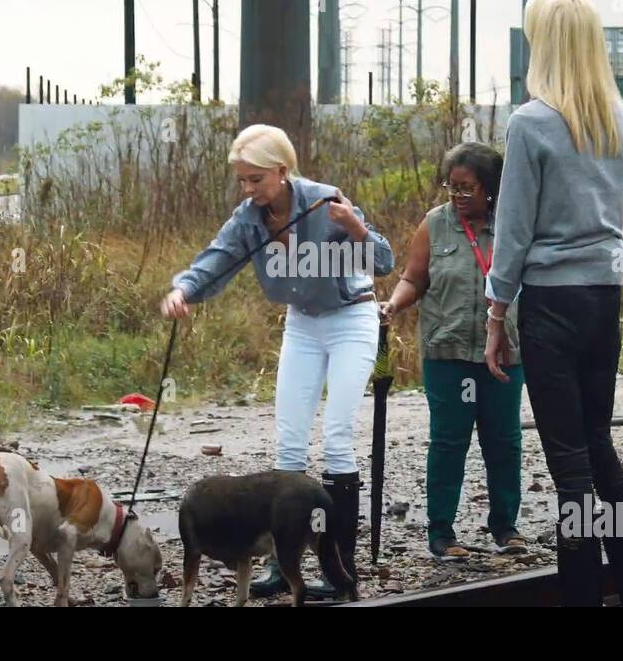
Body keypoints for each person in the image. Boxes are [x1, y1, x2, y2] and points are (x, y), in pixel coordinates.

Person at [483, 0, 623, 607]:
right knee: (597, 446)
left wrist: (496, 309)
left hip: (552, 305)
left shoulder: (531, 123)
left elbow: (513, 228)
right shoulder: (619, 118)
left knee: (570, 468)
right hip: (602, 299)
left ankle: (583, 597)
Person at [160, 123, 394, 598]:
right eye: (242, 180)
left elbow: (384, 261)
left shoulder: (325, 201)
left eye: (256, 180)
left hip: (351, 317)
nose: (248, 190)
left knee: (336, 436)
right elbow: (216, 258)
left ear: (282, 172)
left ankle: (337, 568)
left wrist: (356, 229)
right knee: (288, 443)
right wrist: (183, 288)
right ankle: (280, 564)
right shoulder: (248, 219)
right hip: (303, 323)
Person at [381, 142, 527, 562]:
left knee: (504, 441)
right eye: (452, 187)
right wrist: (393, 303)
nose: (458, 196)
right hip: (448, 356)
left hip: (504, 356)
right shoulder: (435, 225)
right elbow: (414, 278)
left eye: (467, 188)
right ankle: (442, 533)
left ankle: (505, 527)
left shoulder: (512, 226)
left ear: (491, 189)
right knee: (448, 442)